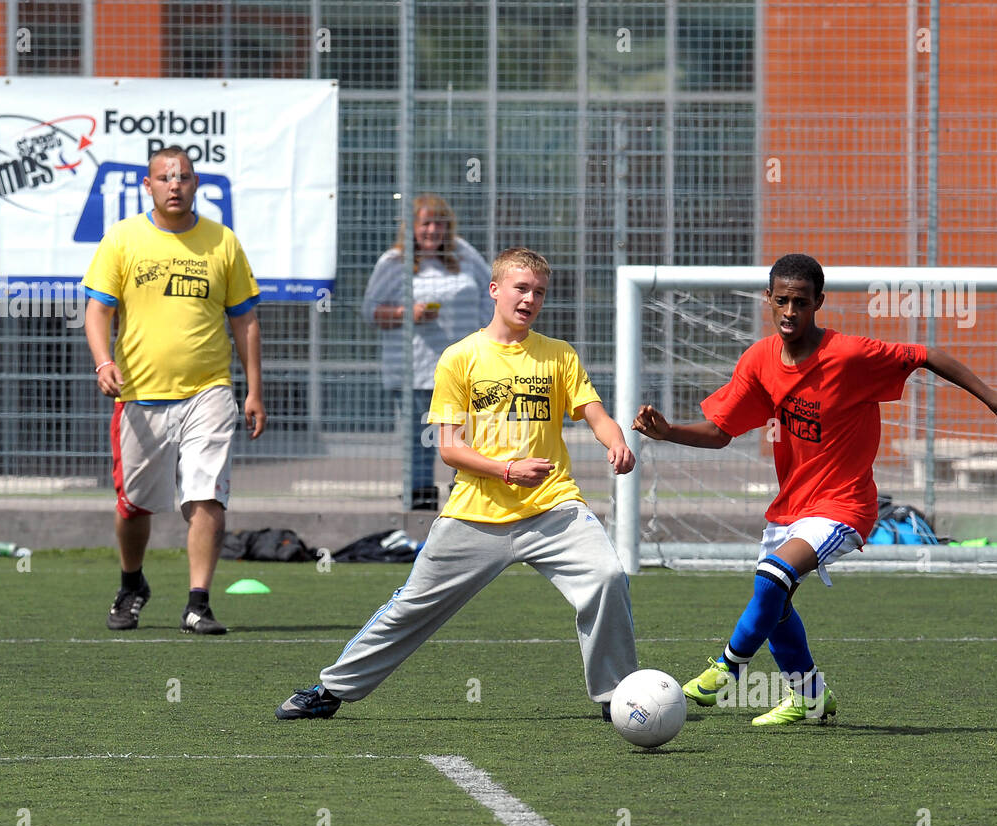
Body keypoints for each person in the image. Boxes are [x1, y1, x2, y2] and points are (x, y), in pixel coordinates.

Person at [632, 253, 997, 726]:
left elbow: (927, 355)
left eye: (802, 302)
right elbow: (721, 431)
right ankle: (810, 698)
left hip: (845, 506)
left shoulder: (849, 355)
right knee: (776, 602)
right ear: (768, 300)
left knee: (772, 578)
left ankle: (726, 670)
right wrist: (668, 432)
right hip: (792, 506)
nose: (790, 312)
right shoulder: (759, 360)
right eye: (782, 301)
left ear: (819, 303)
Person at [277, 248, 639, 720]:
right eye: (520, 288)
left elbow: (596, 414)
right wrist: (508, 470)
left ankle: (618, 696)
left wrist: (617, 443)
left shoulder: (559, 355)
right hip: (475, 513)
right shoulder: (459, 357)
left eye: (539, 292)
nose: (529, 299)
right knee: (411, 606)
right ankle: (331, 689)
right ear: (495, 290)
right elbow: (449, 448)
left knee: (608, 576)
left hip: (553, 508)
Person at [83, 146, 264, 635]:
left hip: (210, 390)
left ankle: (198, 604)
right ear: (148, 186)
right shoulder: (123, 239)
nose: (174, 185)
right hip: (139, 395)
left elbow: (244, 318)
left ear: (196, 183)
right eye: (165, 178)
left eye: (183, 177)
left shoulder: (222, 242)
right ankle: (132, 583)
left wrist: (253, 390)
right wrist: (104, 360)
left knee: (207, 496)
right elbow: (97, 311)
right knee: (133, 506)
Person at [362, 194, 494, 510]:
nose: (432, 230)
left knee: (463, 440)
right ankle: (419, 510)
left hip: (463, 370)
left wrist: (486, 339)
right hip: (413, 372)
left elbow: (490, 294)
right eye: (425, 223)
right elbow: (370, 311)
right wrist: (407, 313)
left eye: (439, 223)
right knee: (418, 444)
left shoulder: (464, 254)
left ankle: (464, 506)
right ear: (413, 228)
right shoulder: (394, 262)